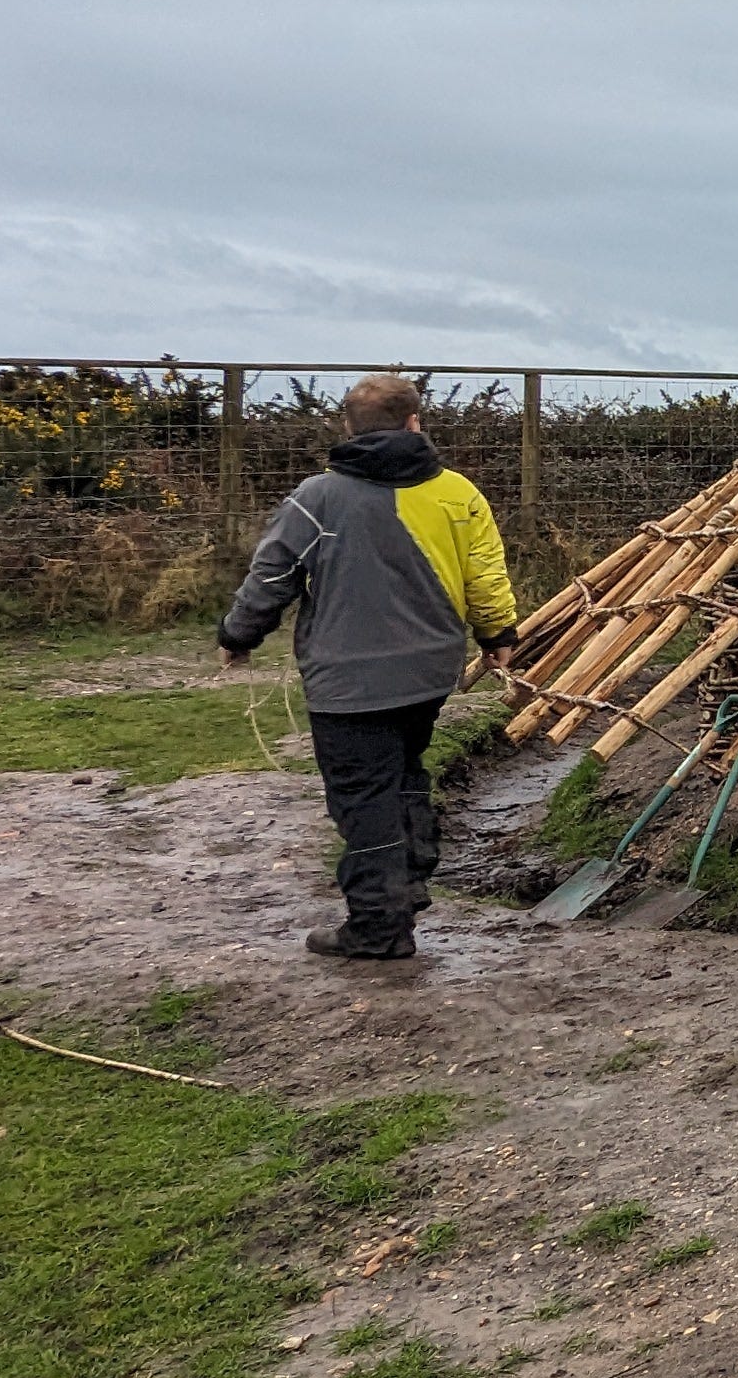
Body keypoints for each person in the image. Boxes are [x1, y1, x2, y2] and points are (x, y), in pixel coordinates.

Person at [216, 373, 519, 961]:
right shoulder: (458, 493)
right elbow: (485, 572)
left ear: (347, 427)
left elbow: (272, 574)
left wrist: (239, 633)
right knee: (402, 770)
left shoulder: (317, 497)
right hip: (430, 672)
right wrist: (497, 633)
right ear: (415, 422)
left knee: (363, 795)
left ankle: (380, 926)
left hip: (347, 681)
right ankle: (410, 878)